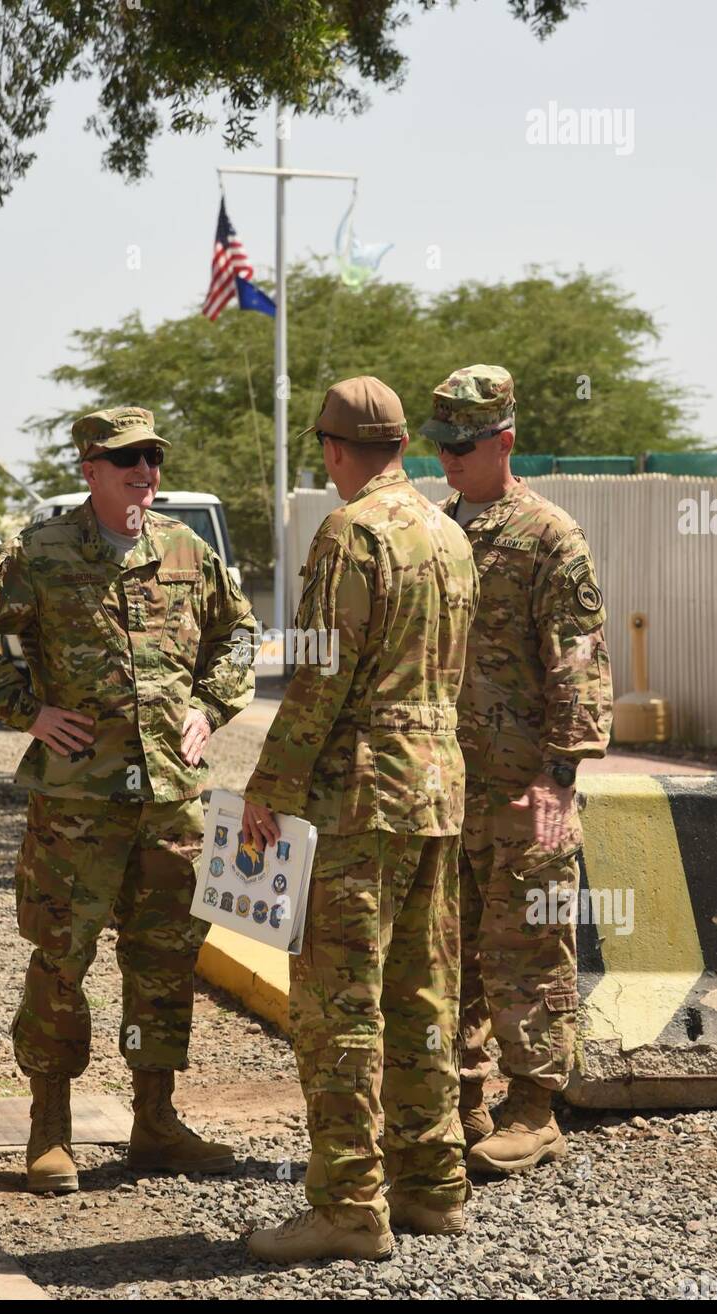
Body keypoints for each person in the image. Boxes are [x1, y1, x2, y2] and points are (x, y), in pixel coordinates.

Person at [0, 406, 256, 1193]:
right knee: (60, 958)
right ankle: (50, 1127)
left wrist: (207, 708)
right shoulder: (38, 554)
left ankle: (156, 1121)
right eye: (126, 461)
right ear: (90, 469)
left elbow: (238, 636)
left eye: (151, 459)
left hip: (173, 802)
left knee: (165, 956)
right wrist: (27, 710)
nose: (144, 473)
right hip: (79, 803)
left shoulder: (185, 551)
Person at [241, 376, 479, 1263]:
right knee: (423, 988)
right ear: (403, 445)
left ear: (335, 450)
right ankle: (432, 1186)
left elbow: (318, 677)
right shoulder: (449, 532)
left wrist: (269, 787)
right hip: (435, 787)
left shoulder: (351, 532)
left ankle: (348, 1204)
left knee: (338, 1000)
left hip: (357, 795)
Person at [420, 365, 613, 1174]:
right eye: (441, 444)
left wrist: (559, 778)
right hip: (444, 782)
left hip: (524, 784)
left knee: (529, 941)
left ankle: (532, 1107)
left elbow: (576, 661)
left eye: (464, 444)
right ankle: (462, 1101)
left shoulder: (546, 535)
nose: (450, 459)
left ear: (505, 439)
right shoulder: (433, 530)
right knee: (447, 943)